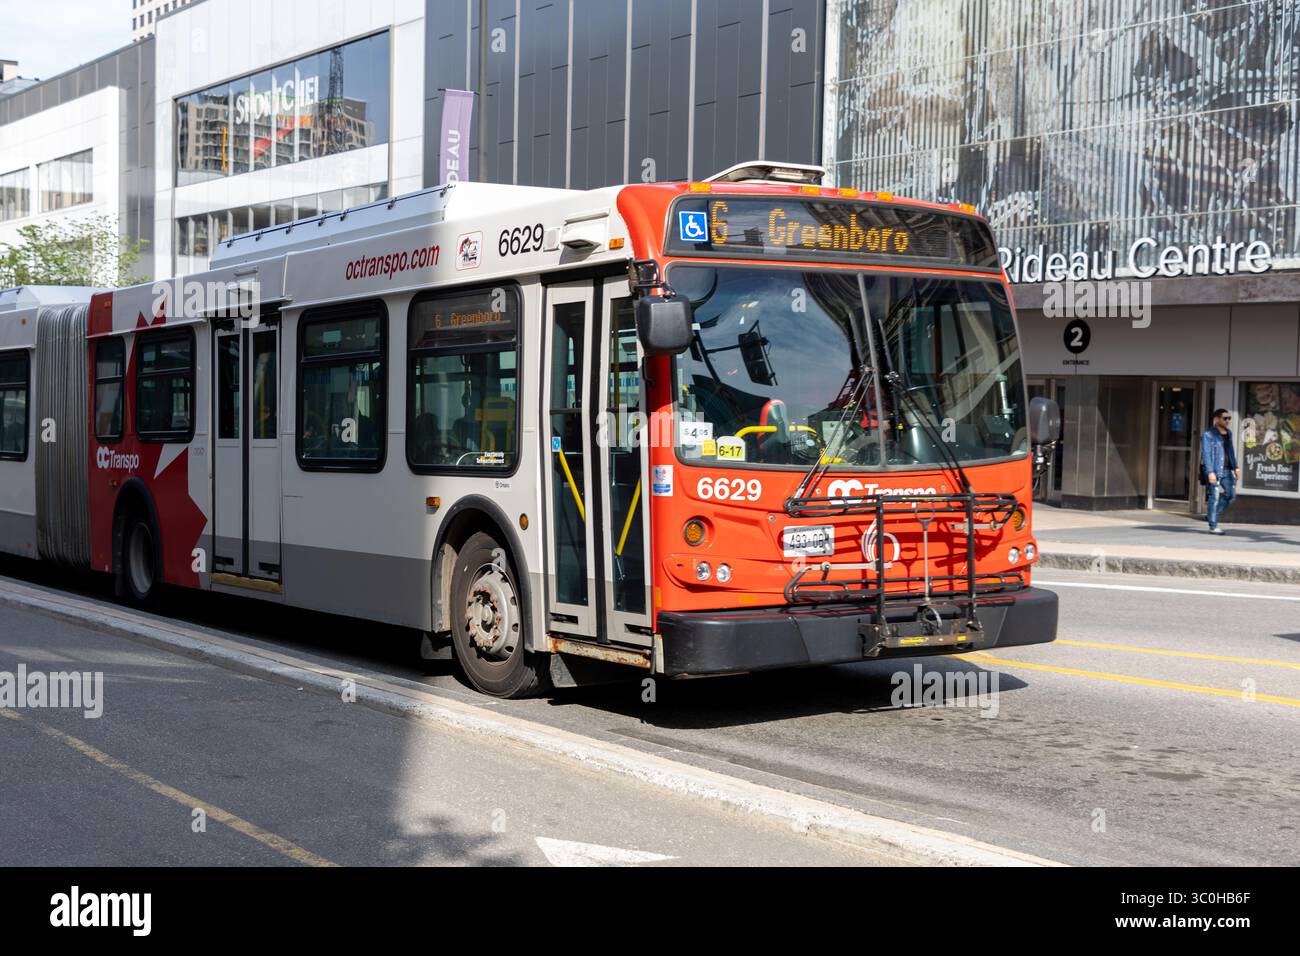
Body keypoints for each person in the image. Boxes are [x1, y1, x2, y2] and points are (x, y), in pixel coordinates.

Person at [1200, 408, 1239, 534]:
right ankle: (1213, 526)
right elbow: (1206, 453)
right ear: (1216, 419)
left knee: (1230, 495)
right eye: (1225, 418)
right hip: (1215, 470)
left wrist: (1236, 467)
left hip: (1227, 470)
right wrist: (1210, 471)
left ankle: (1213, 515)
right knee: (1214, 497)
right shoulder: (1208, 434)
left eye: (1229, 418)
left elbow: (1230, 451)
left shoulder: (1228, 433)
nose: (1228, 420)